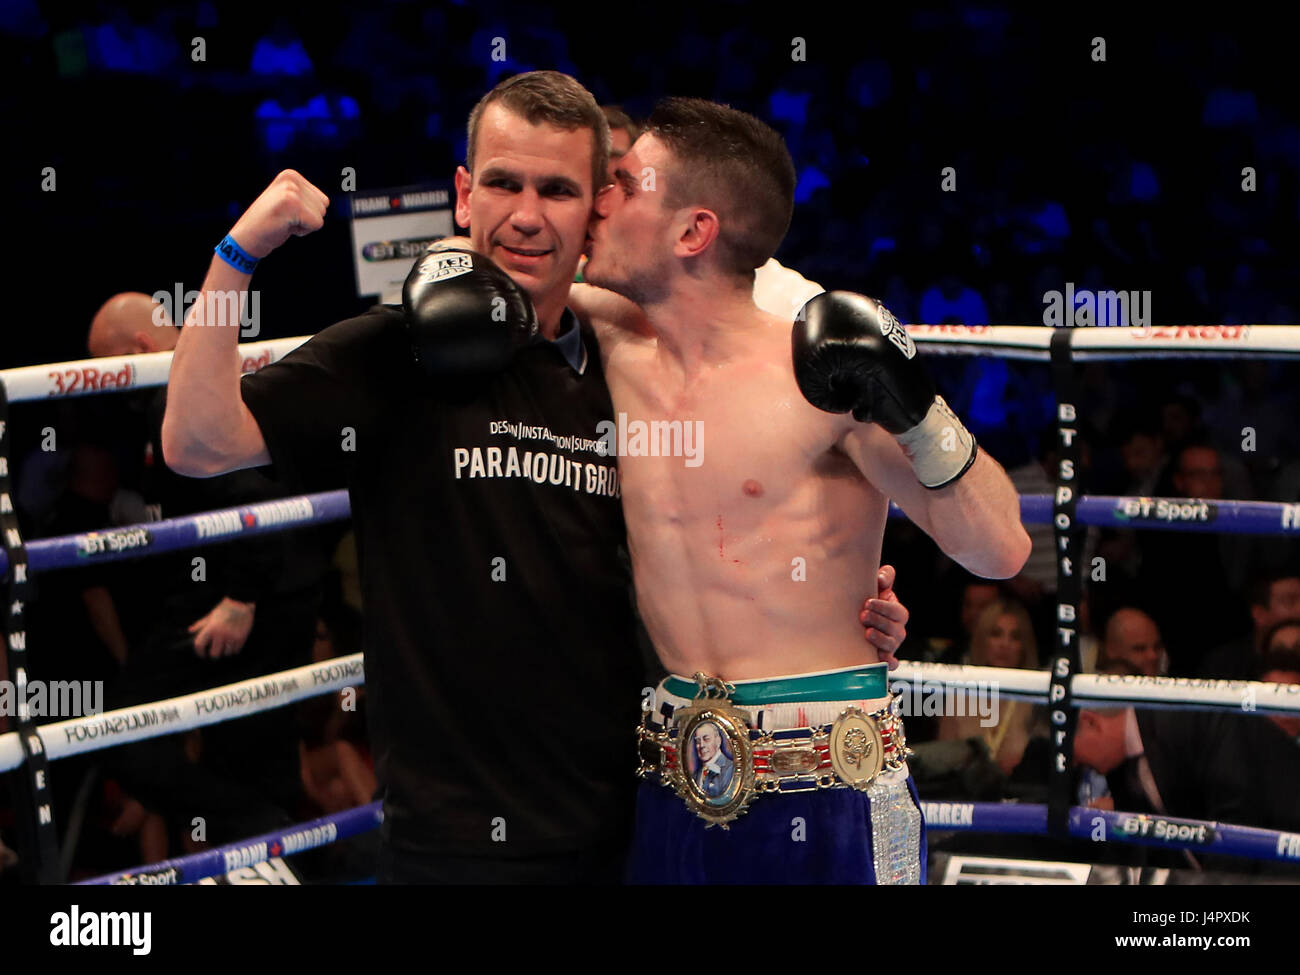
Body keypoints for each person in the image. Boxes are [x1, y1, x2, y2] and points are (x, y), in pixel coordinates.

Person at [161, 71, 909, 883]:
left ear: (595, 209)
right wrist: (239, 253)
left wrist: (845, 608)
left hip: (630, 818)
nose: (524, 214)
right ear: (462, 194)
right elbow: (197, 442)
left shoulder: (628, 367)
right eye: (502, 183)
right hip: (452, 841)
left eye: (555, 190)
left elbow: (714, 536)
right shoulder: (401, 350)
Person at [577, 97, 1029, 883]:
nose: (599, 201)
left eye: (624, 183)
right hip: (674, 779)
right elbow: (496, 258)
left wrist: (919, 409)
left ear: (693, 230)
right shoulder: (610, 342)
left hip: (829, 787)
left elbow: (1000, 550)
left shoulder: (815, 379)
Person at [938, 599, 1044, 777]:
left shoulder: (1035, 700)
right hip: (965, 795)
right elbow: (941, 761)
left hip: (1021, 795)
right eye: (996, 634)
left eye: (1015, 637)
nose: (1005, 644)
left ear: (1024, 647)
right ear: (982, 640)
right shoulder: (958, 697)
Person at [1098, 606, 1166, 676]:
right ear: (1112, 650)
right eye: (1140, 649)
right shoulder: (1090, 684)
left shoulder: (1171, 684)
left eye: (1157, 647)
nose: (1153, 656)